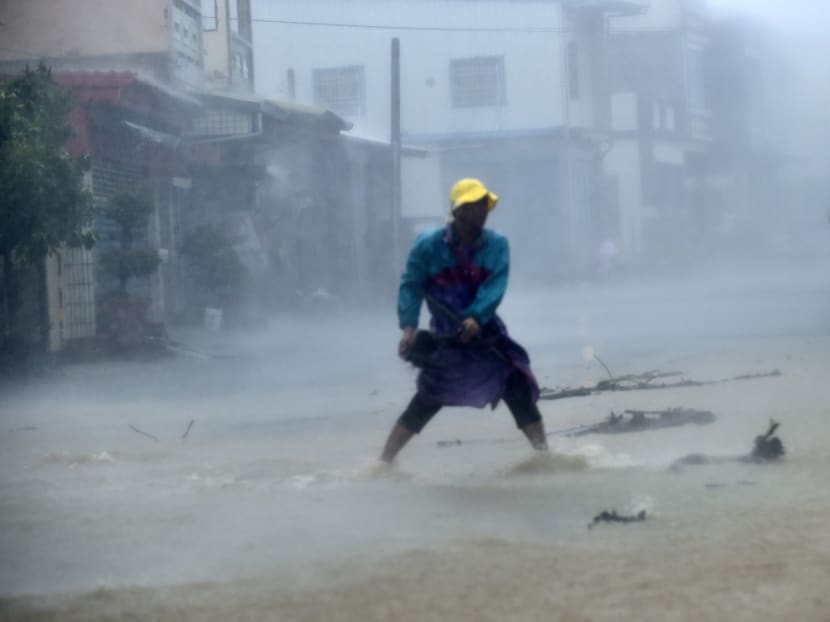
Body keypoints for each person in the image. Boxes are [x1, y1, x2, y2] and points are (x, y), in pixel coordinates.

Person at [379, 178, 548, 463]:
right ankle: (383, 463)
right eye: (476, 205)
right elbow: (411, 284)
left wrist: (475, 317)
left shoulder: (496, 245)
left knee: (516, 388)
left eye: (485, 204)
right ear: (459, 211)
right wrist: (408, 326)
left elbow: (494, 286)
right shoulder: (428, 246)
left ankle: (546, 457)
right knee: (427, 400)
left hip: (484, 334)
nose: (484, 210)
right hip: (446, 337)